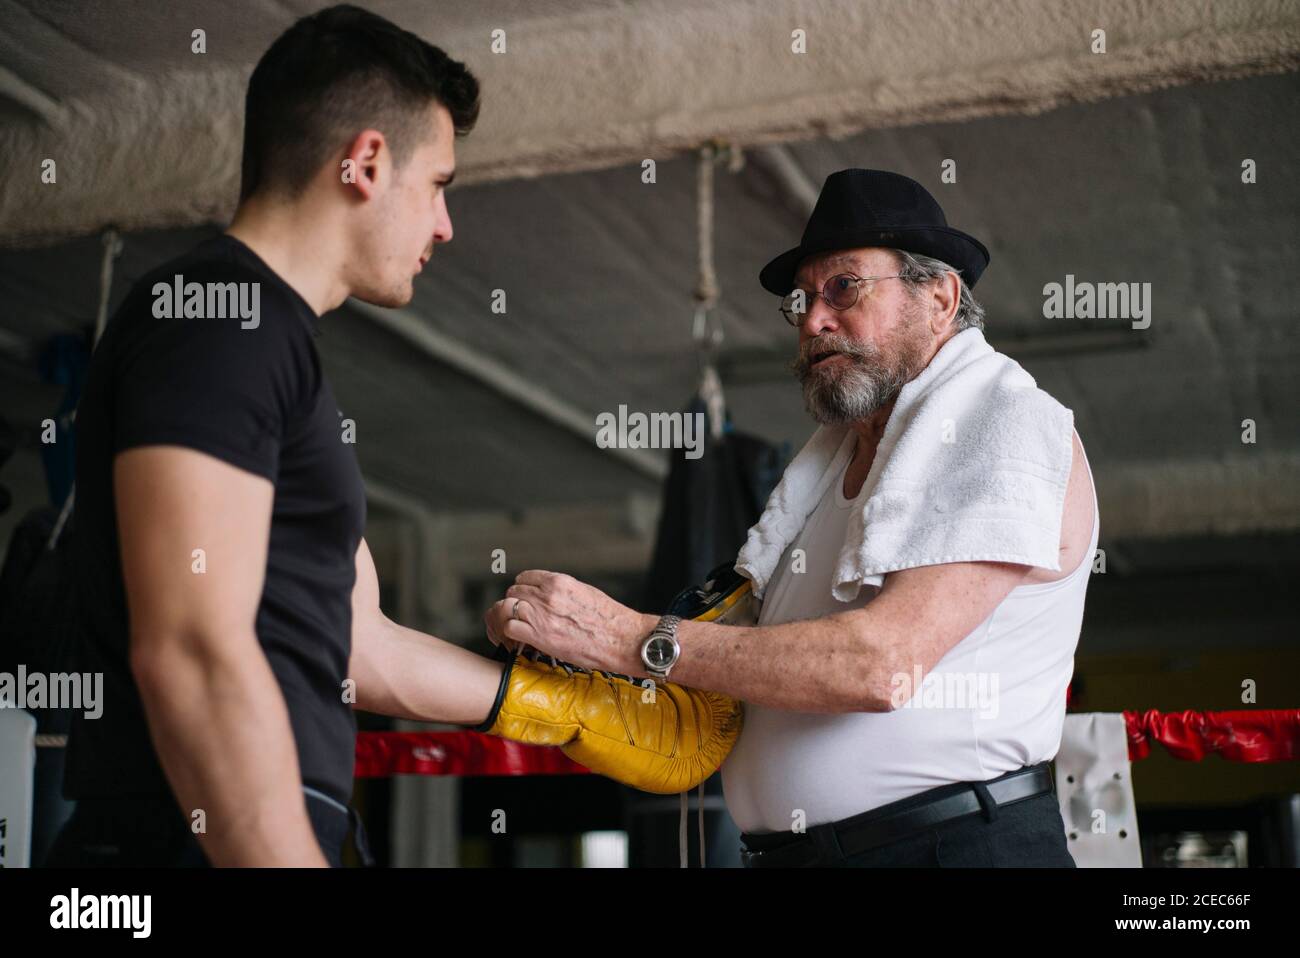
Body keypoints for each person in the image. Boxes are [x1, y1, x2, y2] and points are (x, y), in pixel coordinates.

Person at [48, 4, 730, 869]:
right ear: (366, 162)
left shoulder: (271, 344)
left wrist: (579, 711)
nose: (445, 226)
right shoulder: (221, 320)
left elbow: (360, 645)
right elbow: (189, 649)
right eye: (439, 183)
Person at [486, 169, 1099, 868]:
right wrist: (568, 661)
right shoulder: (829, 471)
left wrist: (630, 639)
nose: (812, 319)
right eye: (803, 300)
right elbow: (774, 670)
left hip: (951, 851)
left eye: (844, 287)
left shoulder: (1005, 420)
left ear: (940, 297)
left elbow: (881, 666)